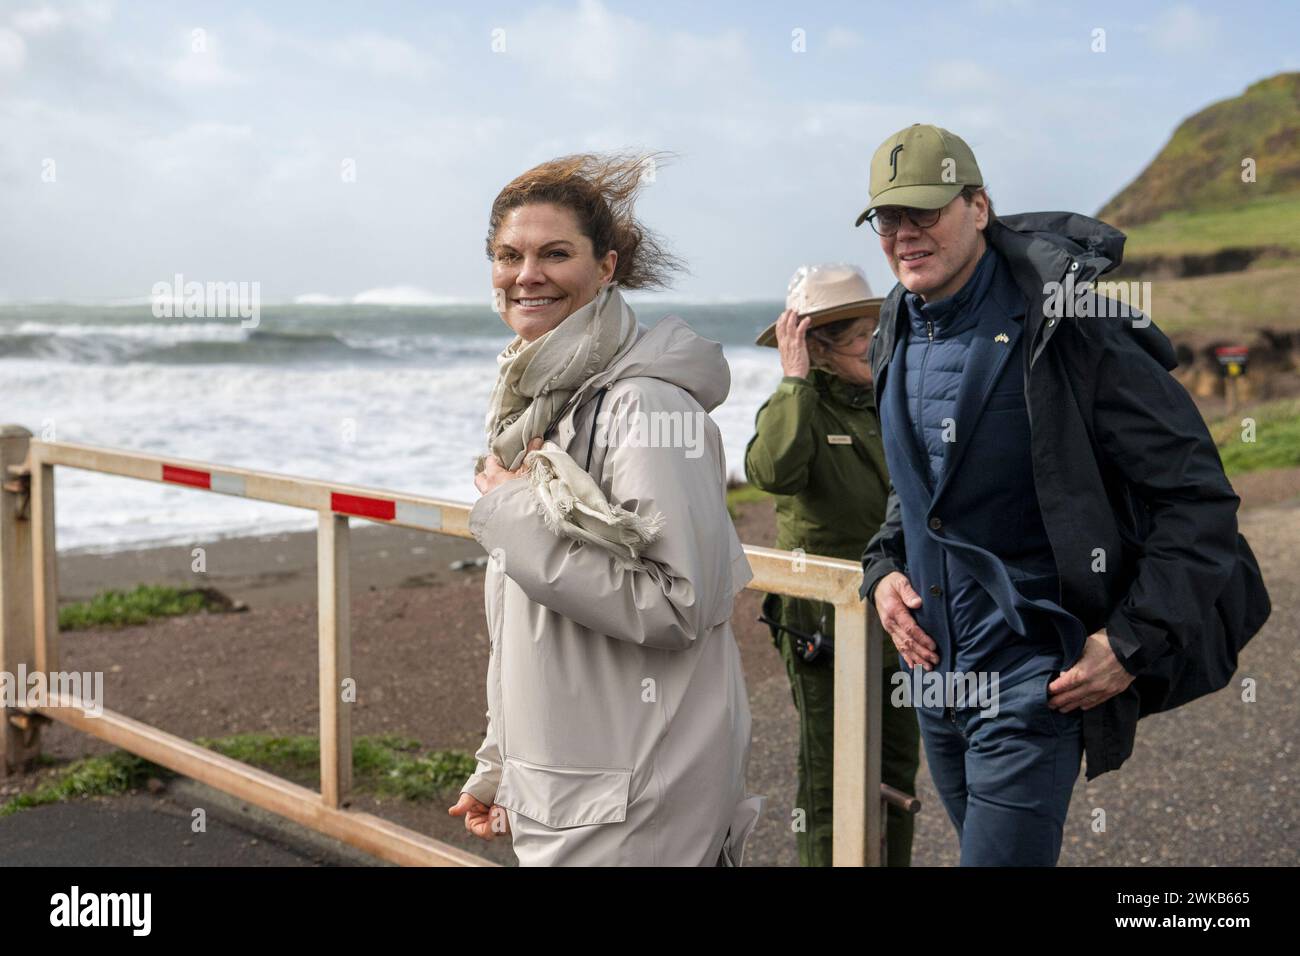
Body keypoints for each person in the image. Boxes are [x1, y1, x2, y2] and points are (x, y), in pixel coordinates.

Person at [855, 123, 1271, 865]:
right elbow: (917, 489)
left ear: (978, 207)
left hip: (1032, 681)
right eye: (888, 218)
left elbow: (1198, 503)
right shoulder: (895, 323)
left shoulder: (1075, 329)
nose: (904, 234)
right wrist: (883, 568)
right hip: (935, 686)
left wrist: (1130, 642)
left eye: (925, 211)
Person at [447, 152, 763, 866]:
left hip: (639, 806)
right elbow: (532, 633)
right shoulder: (544, 409)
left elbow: (676, 603)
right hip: (573, 792)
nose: (526, 275)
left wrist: (510, 514)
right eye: (509, 255)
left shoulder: (643, 405)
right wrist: (503, 767)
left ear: (607, 266)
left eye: (555, 254)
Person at [743, 264, 920, 866]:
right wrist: (793, 379)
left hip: (902, 617)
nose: (876, 345)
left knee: (897, 771)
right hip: (823, 624)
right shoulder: (800, 406)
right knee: (832, 778)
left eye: (879, 330)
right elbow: (771, 471)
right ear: (815, 346)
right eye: (858, 337)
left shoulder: (895, 396)